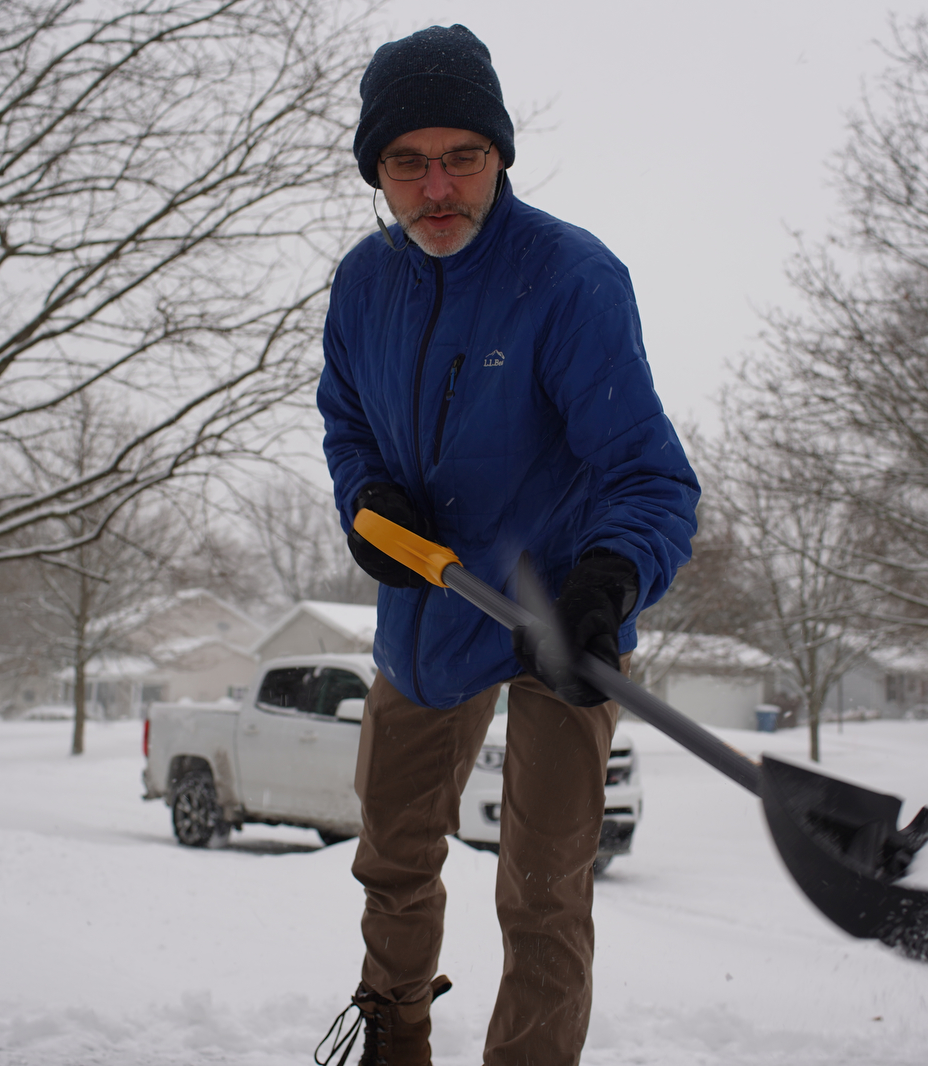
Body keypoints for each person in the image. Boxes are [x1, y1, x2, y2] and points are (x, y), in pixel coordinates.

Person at [315, 24, 699, 1066]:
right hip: (431, 618)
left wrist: (607, 580)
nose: (437, 187)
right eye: (407, 161)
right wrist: (369, 499)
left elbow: (649, 475)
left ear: (500, 156)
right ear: (377, 171)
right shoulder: (361, 288)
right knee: (392, 860)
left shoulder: (571, 280)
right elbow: (346, 430)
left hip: (560, 615)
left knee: (541, 887)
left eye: (463, 157)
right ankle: (393, 1047)